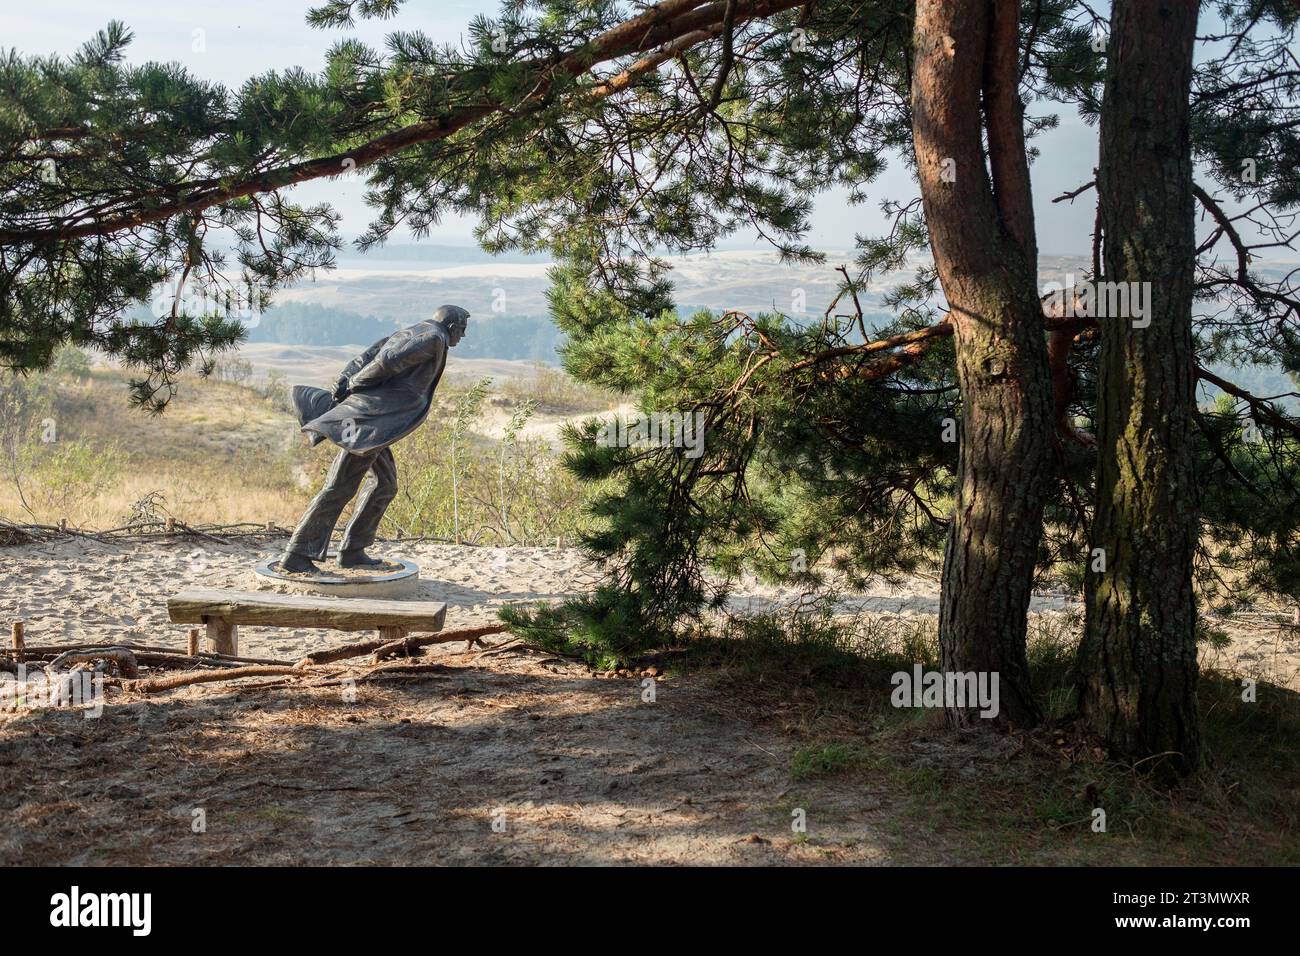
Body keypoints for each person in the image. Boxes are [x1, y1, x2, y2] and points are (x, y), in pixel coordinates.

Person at [279, 304, 469, 574]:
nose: (463, 335)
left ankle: (353, 550)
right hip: (367, 423)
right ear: (452, 326)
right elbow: (386, 361)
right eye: (462, 329)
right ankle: (297, 555)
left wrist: (345, 377)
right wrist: (353, 382)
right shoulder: (433, 338)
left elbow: (369, 353)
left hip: (378, 426)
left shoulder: (415, 330)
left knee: (385, 484)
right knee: (339, 487)